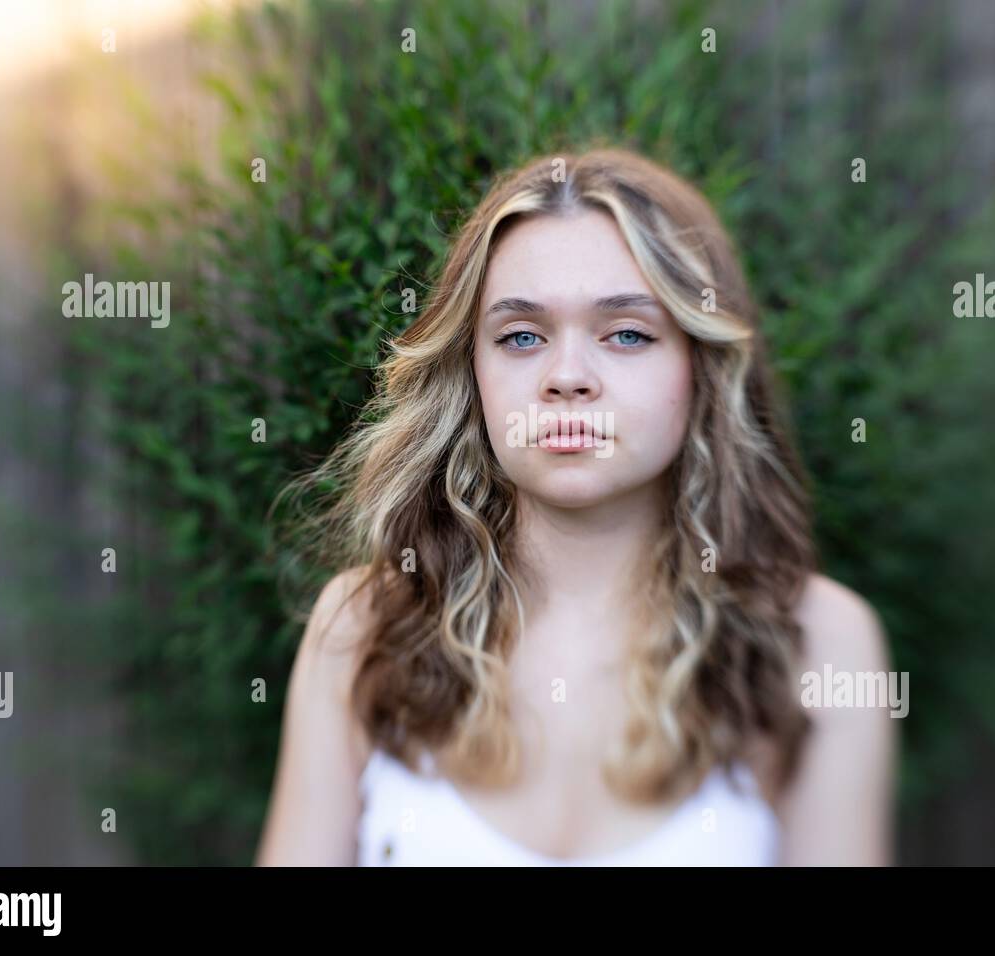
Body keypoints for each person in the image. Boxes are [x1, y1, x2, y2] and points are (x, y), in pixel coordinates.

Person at [255, 146, 897, 866]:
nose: (566, 377)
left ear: (701, 366)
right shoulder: (362, 630)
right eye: (521, 336)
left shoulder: (819, 641)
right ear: (473, 375)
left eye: (627, 333)